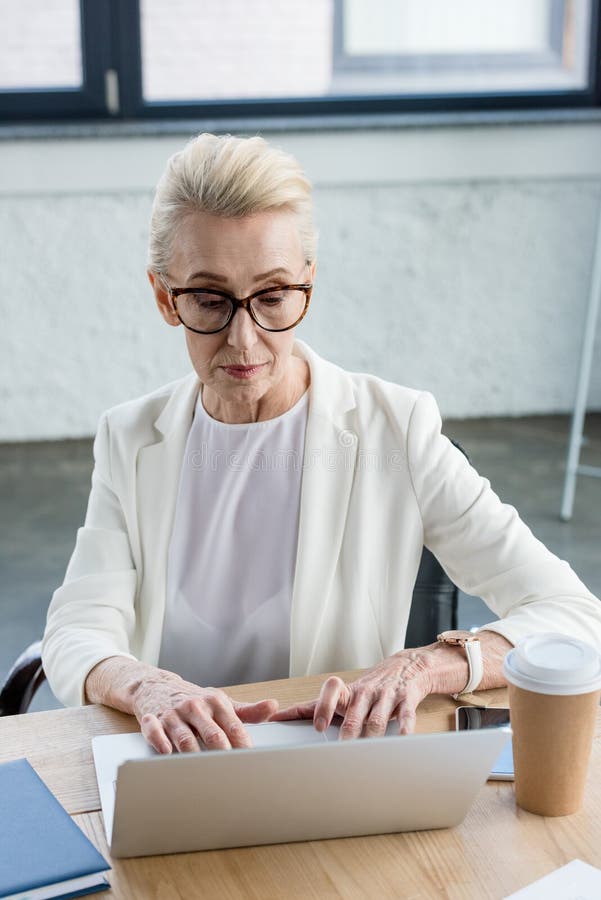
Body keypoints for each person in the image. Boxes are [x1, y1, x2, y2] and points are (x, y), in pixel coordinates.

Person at [42, 133, 601, 755]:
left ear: (308, 283)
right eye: (209, 299)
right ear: (162, 297)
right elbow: (76, 631)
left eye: (273, 296)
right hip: (176, 765)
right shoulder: (130, 439)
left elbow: (574, 615)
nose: (244, 340)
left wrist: (428, 664)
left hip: (331, 767)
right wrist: (146, 686)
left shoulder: (397, 428)